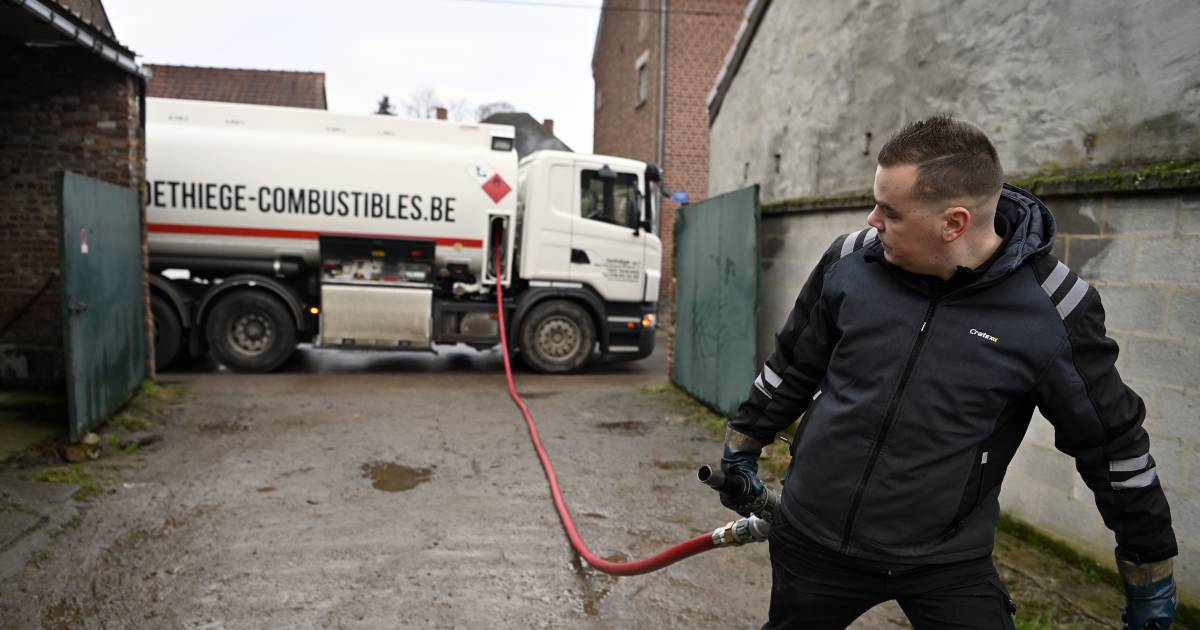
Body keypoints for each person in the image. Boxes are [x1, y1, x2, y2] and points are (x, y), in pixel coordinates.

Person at [718, 115, 1178, 629]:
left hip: (944, 561)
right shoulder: (849, 261)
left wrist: (1149, 570)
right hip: (814, 539)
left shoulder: (1054, 308)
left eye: (890, 211)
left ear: (954, 223)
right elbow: (792, 364)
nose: (872, 220)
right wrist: (742, 445)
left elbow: (1112, 447)